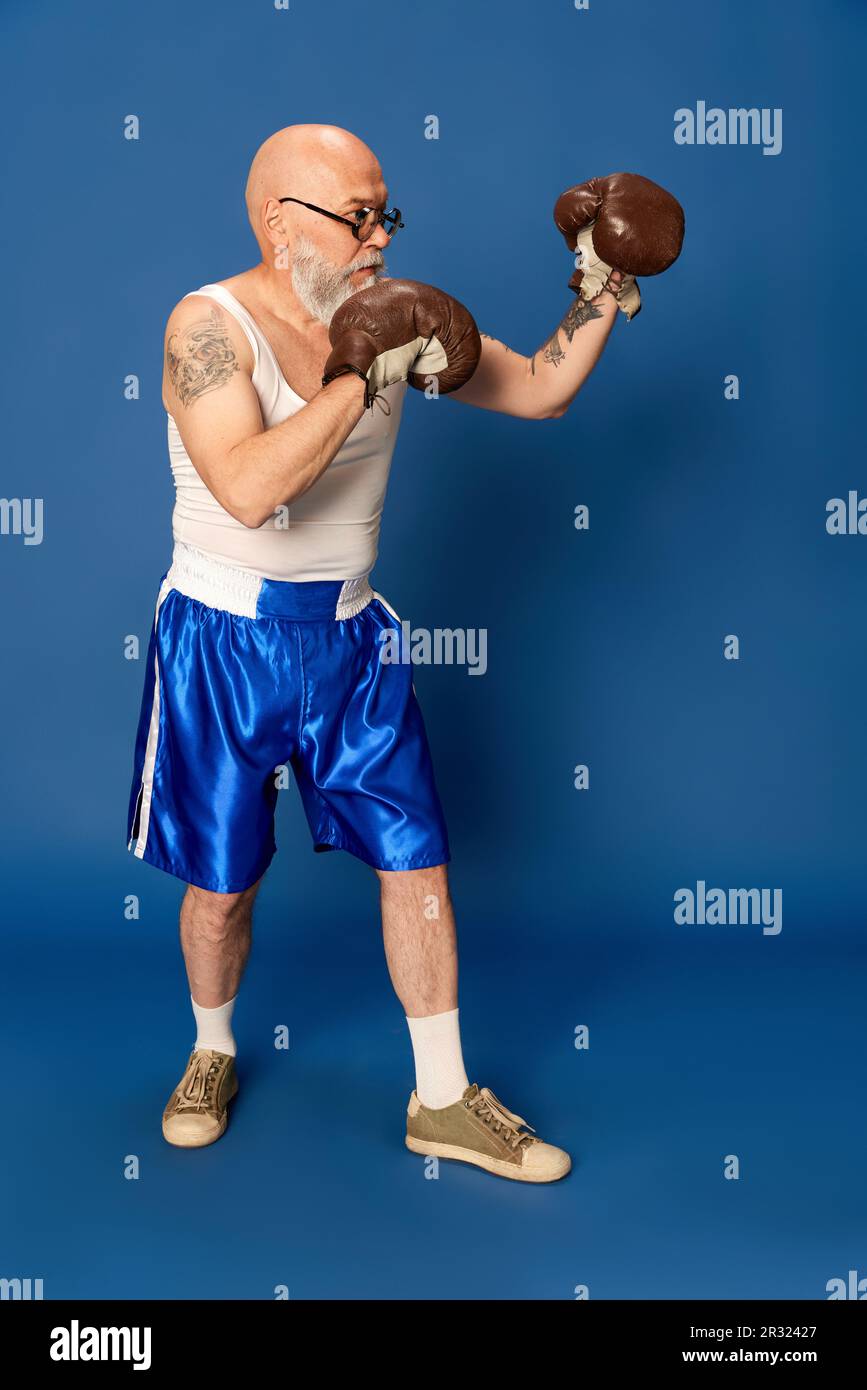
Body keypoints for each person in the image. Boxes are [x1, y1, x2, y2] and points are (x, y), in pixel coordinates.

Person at [128, 123, 630, 1183]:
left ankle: (441, 1098)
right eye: (356, 216)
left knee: (418, 863)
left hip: (353, 638)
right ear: (280, 223)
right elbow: (251, 490)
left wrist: (601, 285)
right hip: (223, 638)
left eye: (384, 213)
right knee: (222, 884)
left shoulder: (398, 318)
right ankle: (212, 1051)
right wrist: (361, 374)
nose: (379, 237)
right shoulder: (207, 326)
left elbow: (540, 390)